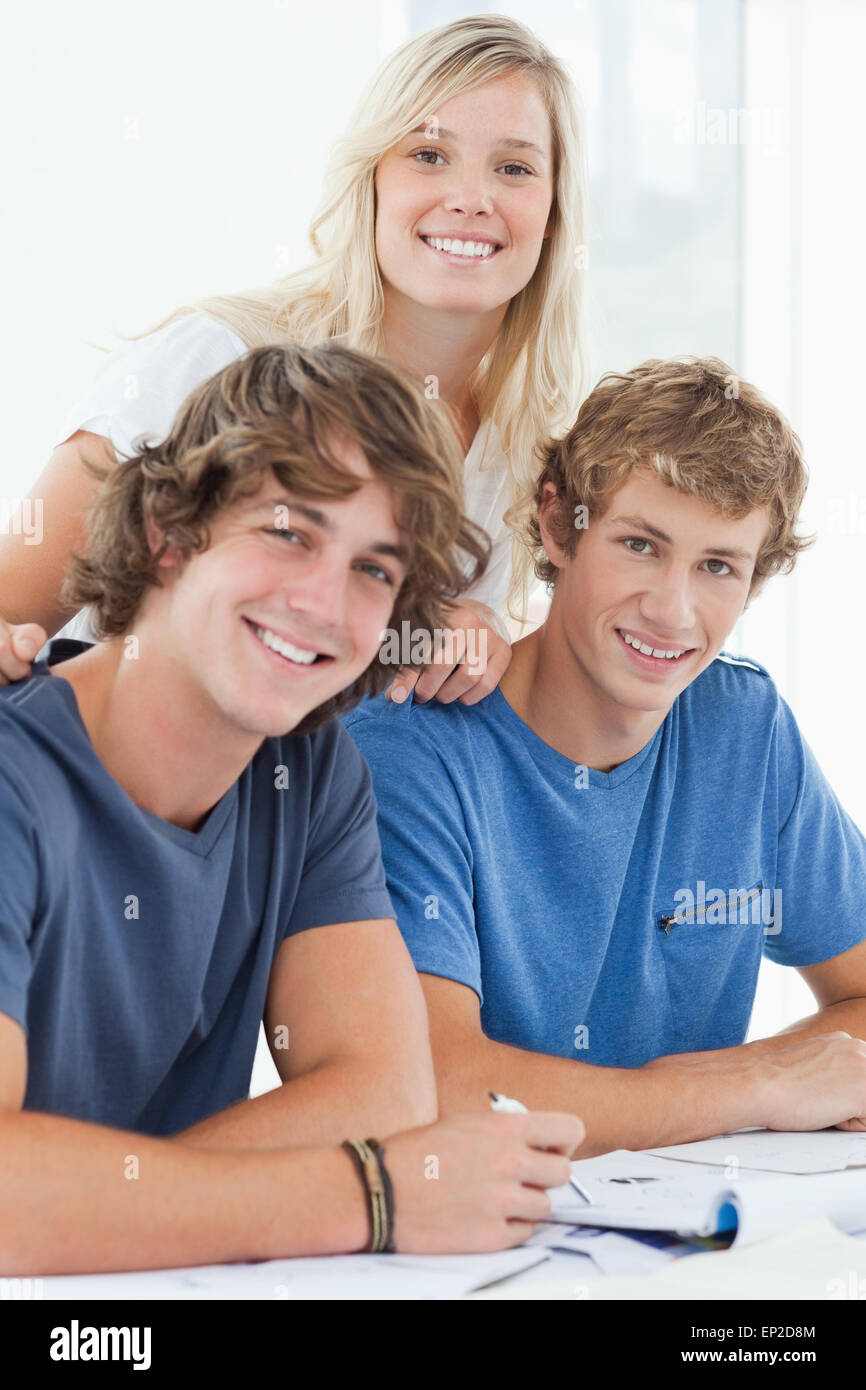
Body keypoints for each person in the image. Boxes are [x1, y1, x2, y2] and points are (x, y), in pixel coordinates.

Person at [0, 341, 583, 1275]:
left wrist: (85, 1205)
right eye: (288, 532)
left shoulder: (308, 771)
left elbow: (384, 1094)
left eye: (374, 570)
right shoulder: (12, 774)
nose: (322, 602)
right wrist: (374, 1195)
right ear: (167, 532)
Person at [344, 356, 866, 1157]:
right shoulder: (410, 747)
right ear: (559, 527)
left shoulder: (744, 728)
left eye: (719, 566)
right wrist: (759, 1086)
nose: (672, 610)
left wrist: (755, 1084)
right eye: (640, 545)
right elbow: (433, 1084)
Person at [0, 13, 590, 705]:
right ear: (370, 179)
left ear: (553, 212)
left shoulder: (522, 446)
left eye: (514, 167)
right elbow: (11, 624)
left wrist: (478, 633)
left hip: (318, 811)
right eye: (429, 155)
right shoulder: (212, 360)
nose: (470, 199)